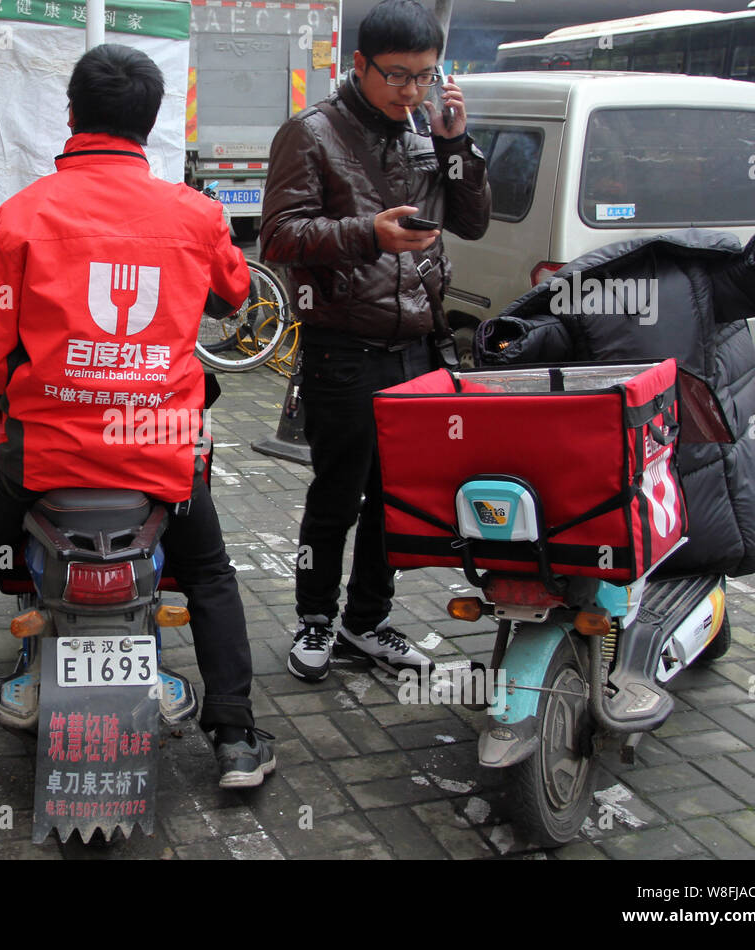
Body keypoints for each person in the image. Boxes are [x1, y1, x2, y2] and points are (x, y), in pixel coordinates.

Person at [0, 43, 276, 789]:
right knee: (210, 577)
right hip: (163, 456)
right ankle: (234, 737)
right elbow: (235, 298)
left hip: (41, 457)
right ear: (151, 122)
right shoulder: (196, 215)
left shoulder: (19, 217)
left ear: (71, 115)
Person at [260, 0, 492, 683]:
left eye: (425, 76)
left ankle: (367, 621)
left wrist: (455, 145)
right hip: (344, 348)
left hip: (419, 348)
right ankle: (313, 618)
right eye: (397, 75)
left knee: (399, 498)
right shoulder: (311, 134)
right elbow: (278, 237)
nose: (412, 90)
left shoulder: (426, 130)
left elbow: (473, 221)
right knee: (337, 496)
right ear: (358, 65)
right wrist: (369, 234)